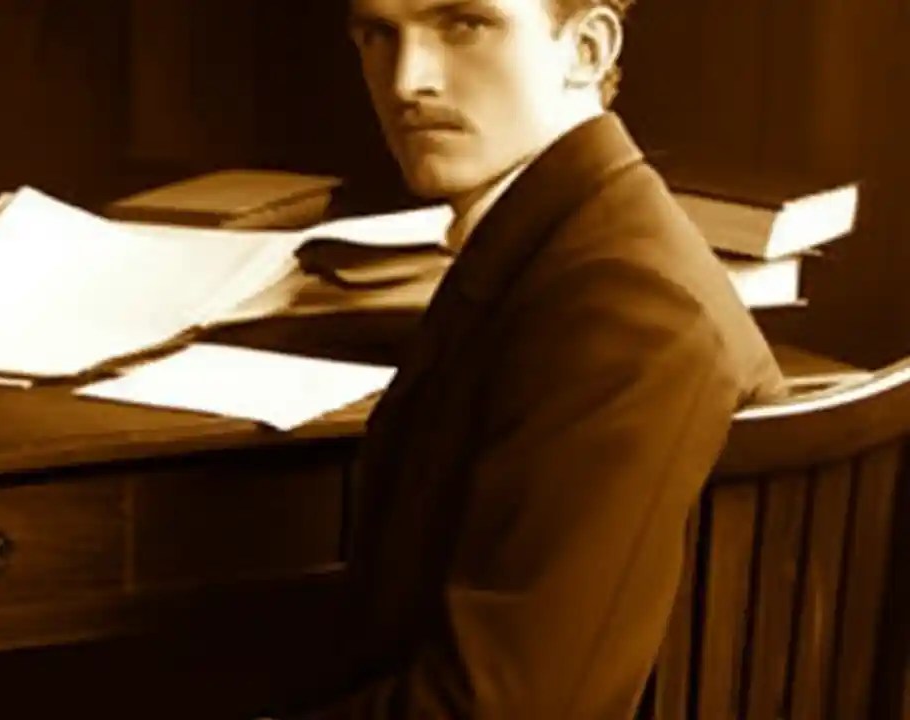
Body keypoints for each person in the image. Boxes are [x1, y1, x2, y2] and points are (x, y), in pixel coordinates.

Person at [269, 0, 788, 717]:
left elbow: (507, 709)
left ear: (587, 50)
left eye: (463, 24)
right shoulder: (558, 241)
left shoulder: (628, 308)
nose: (406, 80)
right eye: (377, 34)